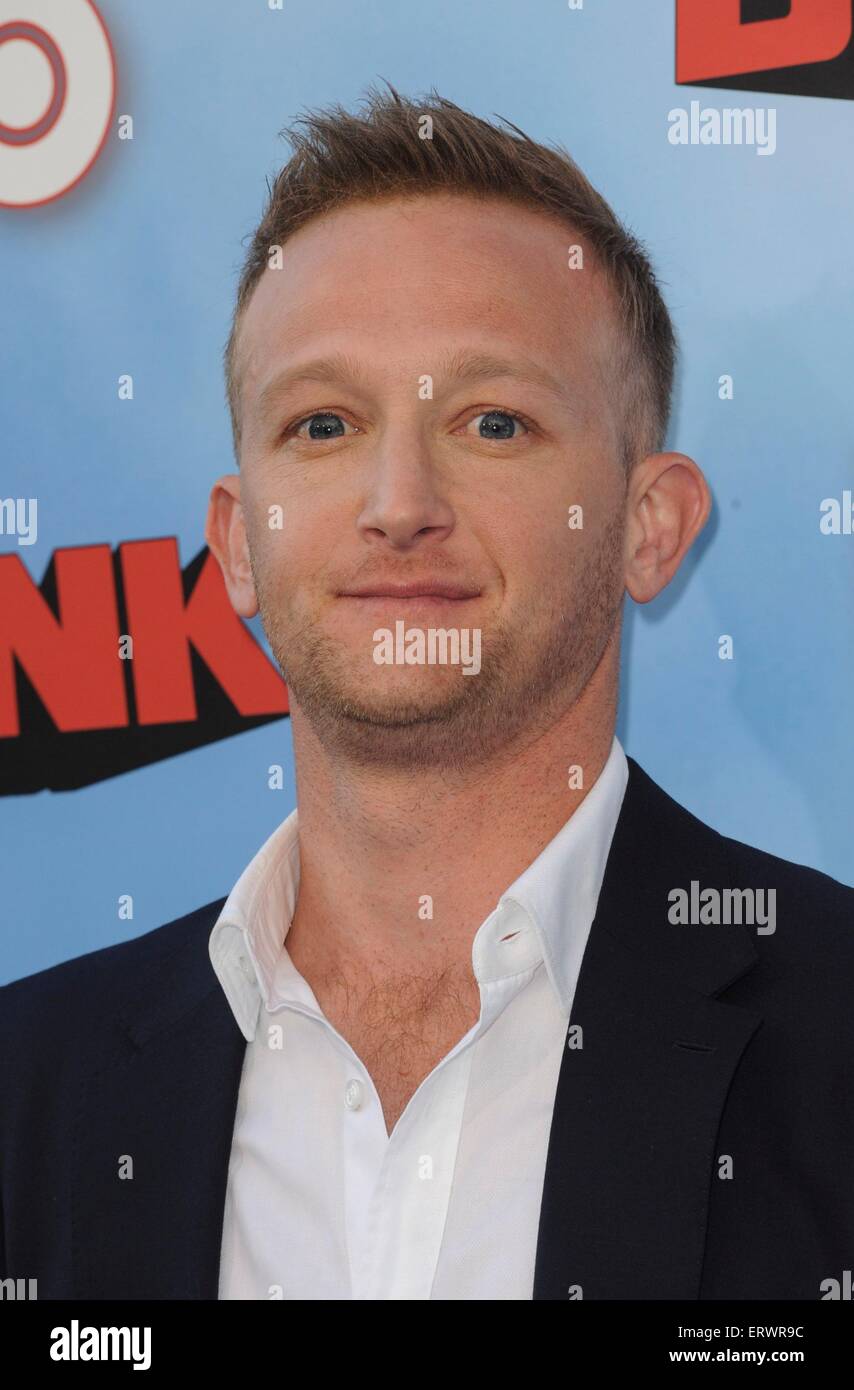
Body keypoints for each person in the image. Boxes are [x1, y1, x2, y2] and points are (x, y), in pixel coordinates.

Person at [1, 83, 852, 1302]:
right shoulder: (29, 1083)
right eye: (323, 423)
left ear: (646, 525)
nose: (398, 502)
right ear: (239, 545)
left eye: (492, 421)